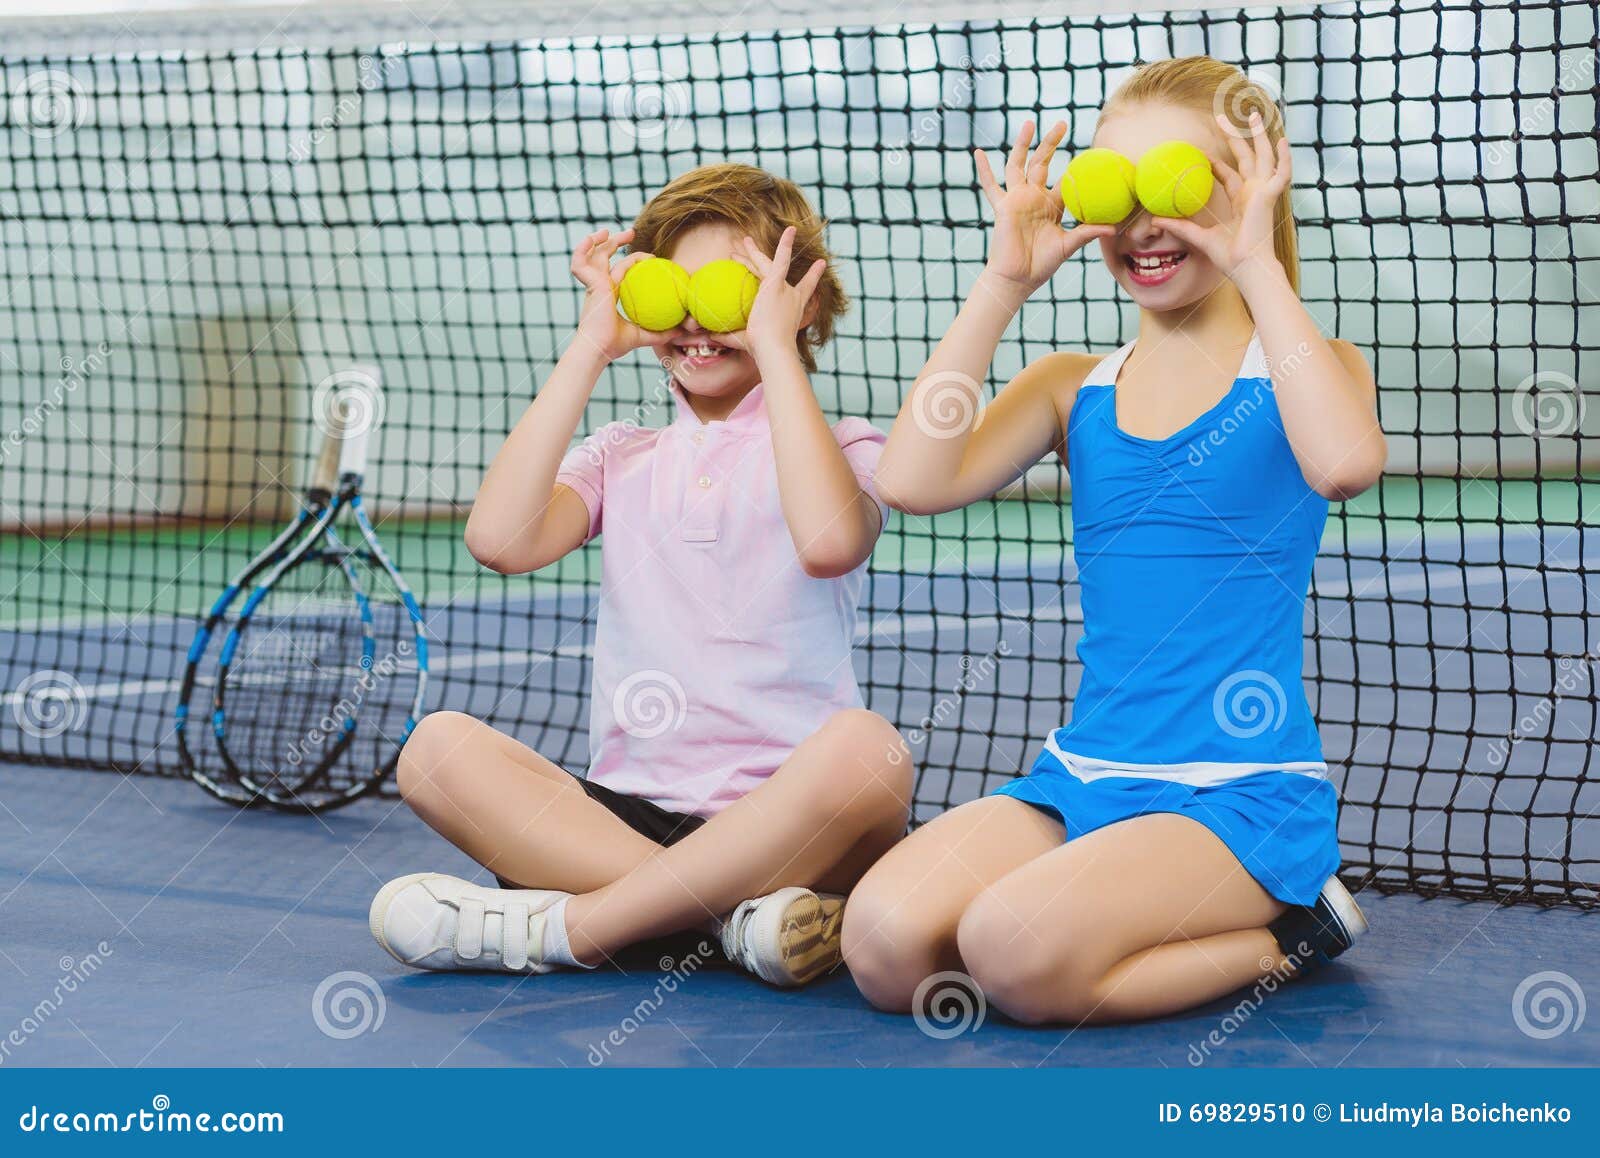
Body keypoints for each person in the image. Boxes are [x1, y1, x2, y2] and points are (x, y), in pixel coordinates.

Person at [843, 57, 1386, 1025]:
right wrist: (1003, 281)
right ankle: (1088, 925)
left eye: (1172, 186)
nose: (1139, 224)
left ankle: (1290, 935)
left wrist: (1257, 261)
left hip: (1237, 795)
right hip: (1081, 778)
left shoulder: (1311, 367)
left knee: (1014, 952)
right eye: (1113, 186)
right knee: (884, 948)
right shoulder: (1070, 385)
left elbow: (1343, 464)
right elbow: (910, 481)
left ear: (1246, 190)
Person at [369, 164, 911, 987]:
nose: (694, 321)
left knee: (868, 752)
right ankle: (730, 924)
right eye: (669, 292)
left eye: (729, 293)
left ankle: (575, 930)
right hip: (623, 819)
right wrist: (592, 345)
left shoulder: (847, 447)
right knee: (435, 750)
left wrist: (773, 343)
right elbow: (499, 539)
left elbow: (830, 541)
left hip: (794, 822)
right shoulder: (622, 453)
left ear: (796, 300)